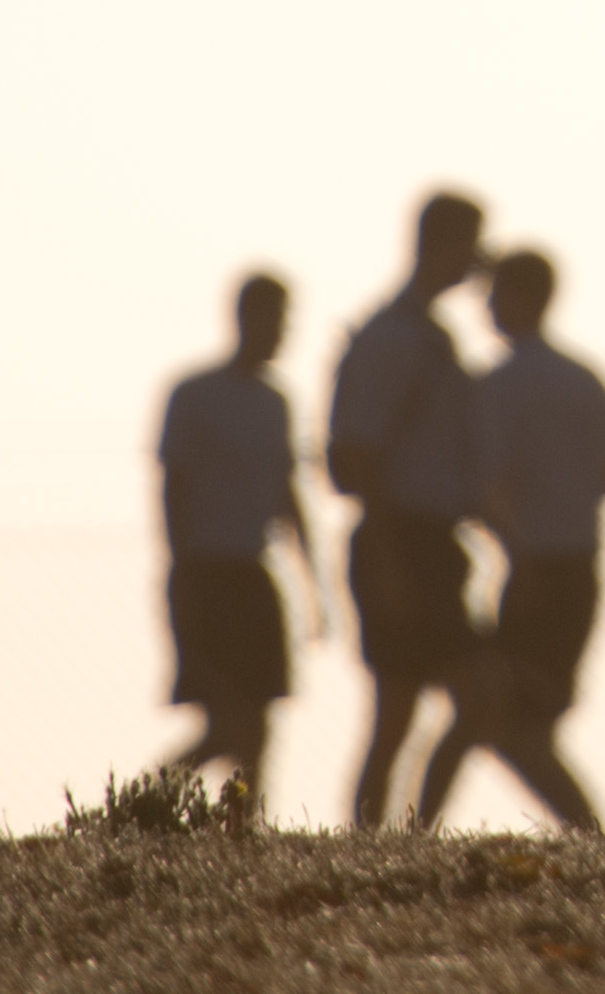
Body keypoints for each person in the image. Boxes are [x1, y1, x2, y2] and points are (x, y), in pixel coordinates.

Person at [424, 248, 605, 834]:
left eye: (496, 295)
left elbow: (483, 488)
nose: (488, 307)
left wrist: (518, 537)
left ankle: (412, 835)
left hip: (534, 569)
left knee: (488, 717)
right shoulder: (582, 378)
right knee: (506, 722)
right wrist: (572, 486)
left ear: (524, 298)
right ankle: (592, 835)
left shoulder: (498, 386)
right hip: (580, 569)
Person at [326, 191, 490, 832]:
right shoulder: (392, 339)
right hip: (401, 539)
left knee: (431, 707)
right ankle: (379, 840)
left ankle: (406, 834)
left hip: (428, 541)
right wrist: (391, 560)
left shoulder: (429, 337)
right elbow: (360, 458)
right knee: (400, 711)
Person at [155, 271, 321, 818]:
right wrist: (184, 574)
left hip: (254, 571)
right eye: (274, 318)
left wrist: (314, 582)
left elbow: (285, 493)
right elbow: (173, 485)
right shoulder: (195, 394)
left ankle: (242, 828)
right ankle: (144, 805)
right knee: (226, 724)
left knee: (259, 725)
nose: (281, 332)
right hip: (205, 571)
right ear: (245, 318)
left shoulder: (276, 402)